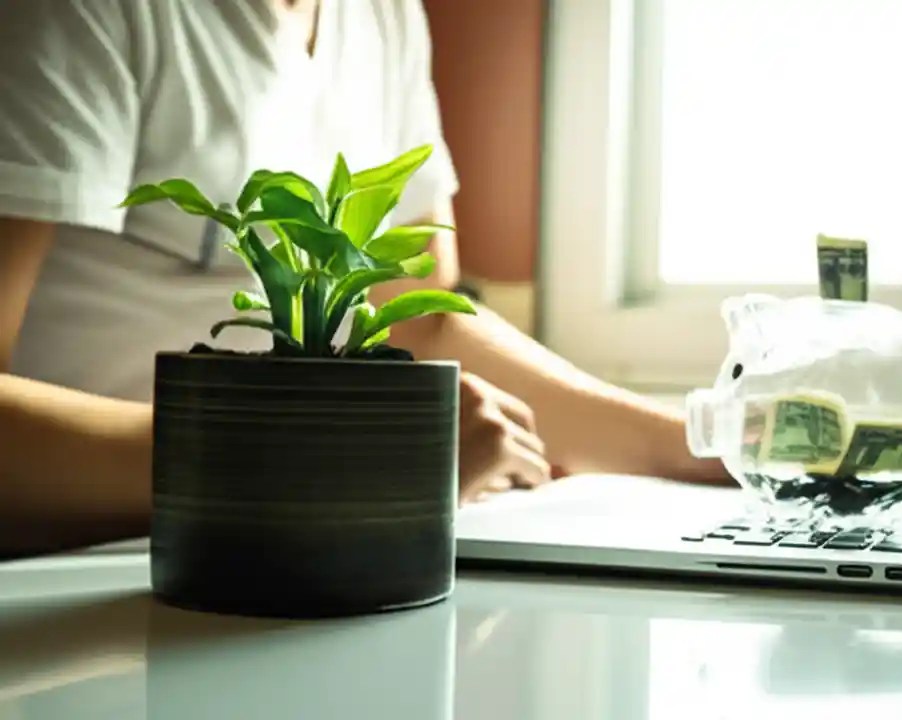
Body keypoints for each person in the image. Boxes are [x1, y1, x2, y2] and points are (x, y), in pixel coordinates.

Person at [0, 0, 726, 558]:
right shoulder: (81, 14)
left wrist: (718, 448)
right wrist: (347, 460)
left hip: (299, 542)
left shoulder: (381, 14)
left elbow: (417, 321)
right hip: (96, 558)